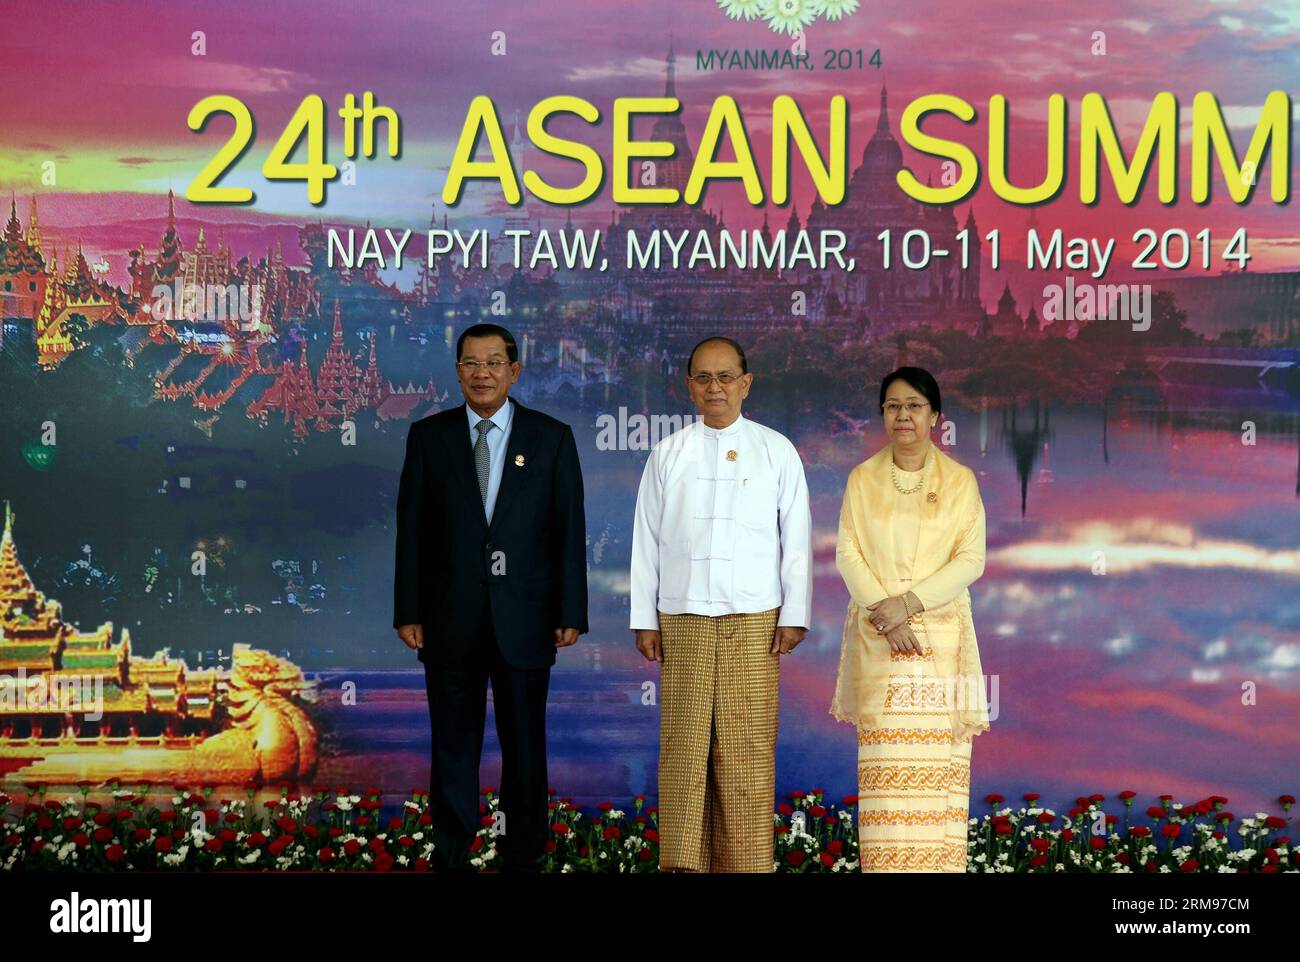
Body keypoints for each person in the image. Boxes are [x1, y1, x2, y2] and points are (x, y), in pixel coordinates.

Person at [393, 322, 588, 873]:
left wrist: (571, 611)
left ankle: (522, 856)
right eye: (472, 363)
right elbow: (412, 531)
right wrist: (408, 610)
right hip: (448, 618)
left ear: (514, 371)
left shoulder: (551, 437)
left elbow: (568, 531)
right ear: (458, 371)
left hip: (526, 619)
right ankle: (451, 854)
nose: (483, 373)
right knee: (453, 748)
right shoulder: (428, 437)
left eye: (494, 363)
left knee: (524, 748)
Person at [630, 336, 812, 873]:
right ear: (689, 386)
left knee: (746, 749)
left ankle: (747, 863)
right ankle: (683, 863)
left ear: (745, 383)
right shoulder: (668, 453)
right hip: (682, 617)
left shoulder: (775, 450)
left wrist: (794, 614)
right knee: (684, 748)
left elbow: (796, 540)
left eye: (726, 377)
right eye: (704, 378)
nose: (715, 387)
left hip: (754, 620)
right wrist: (644, 619)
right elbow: (646, 541)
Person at [830, 366, 990, 873]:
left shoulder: (960, 481)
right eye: (894, 406)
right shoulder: (862, 479)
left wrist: (910, 604)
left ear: (935, 416)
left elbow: (971, 560)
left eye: (915, 405)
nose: (904, 415)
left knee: (938, 776)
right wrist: (889, 614)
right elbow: (848, 554)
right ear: (883, 415)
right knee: (886, 779)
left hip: (940, 645)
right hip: (881, 641)